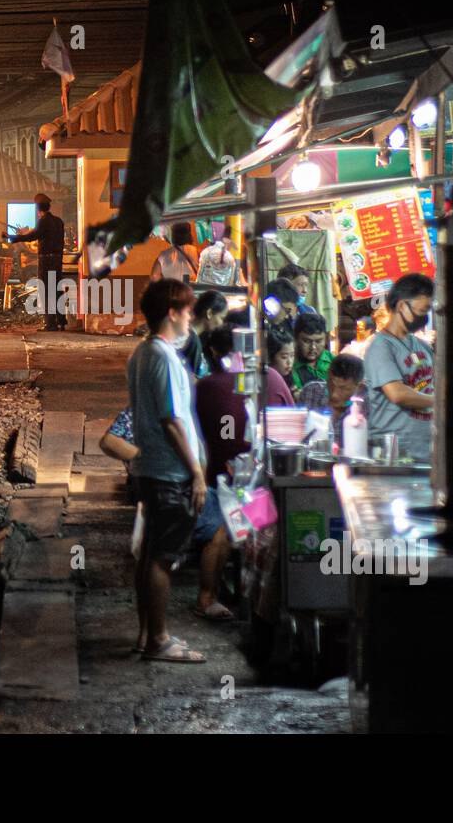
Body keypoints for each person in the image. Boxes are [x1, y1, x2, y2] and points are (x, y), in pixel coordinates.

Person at [127, 278, 207, 663]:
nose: (192, 317)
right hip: (168, 473)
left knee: (149, 555)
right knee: (162, 557)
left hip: (150, 468)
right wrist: (197, 472)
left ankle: (147, 636)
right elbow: (172, 421)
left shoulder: (142, 353)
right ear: (172, 313)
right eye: (188, 310)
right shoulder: (161, 356)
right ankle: (158, 639)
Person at [192, 326, 293, 621]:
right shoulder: (270, 377)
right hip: (241, 484)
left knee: (231, 528)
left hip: (228, 480)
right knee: (235, 527)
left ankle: (214, 595)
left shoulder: (205, 386)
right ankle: (222, 595)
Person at [363, 272, 435, 462]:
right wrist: (439, 402)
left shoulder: (423, 346)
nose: (425, 318)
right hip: (393, 456)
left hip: (424, 455)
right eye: (422, 311)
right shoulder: (381, 346)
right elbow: (397, 393)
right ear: (402, 306)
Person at [9, 193, 66, 330]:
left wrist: (14, 238)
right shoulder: (58, 221)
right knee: (57, 290)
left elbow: (32, 236)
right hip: (57, 259)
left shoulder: (43, 221)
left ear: (38, 210)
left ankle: (50, 324)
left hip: (46, 260)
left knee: (46, 290)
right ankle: (61, 321)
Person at [297, 353, 365, 446]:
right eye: (331, 384)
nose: (334, 395)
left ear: (359, 387)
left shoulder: (365, 406)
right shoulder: (311, 392)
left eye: (343, 389)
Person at [180, 289, 228, 378]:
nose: (221, 323)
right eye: (221, 318)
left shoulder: (191, 336)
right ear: (209, 313)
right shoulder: (192, 340)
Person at [291, 311, 334, 388]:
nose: (313, 347)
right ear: (296, 339)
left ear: (326, 339)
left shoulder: (333, 360)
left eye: (318, 341)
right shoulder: (289, 366)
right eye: (307, 341)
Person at [266, 325, 297, 393]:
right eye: (284, 357)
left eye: (292, 355)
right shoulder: (269, 381)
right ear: (270, 357)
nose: (290, 362)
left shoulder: (292, 377)